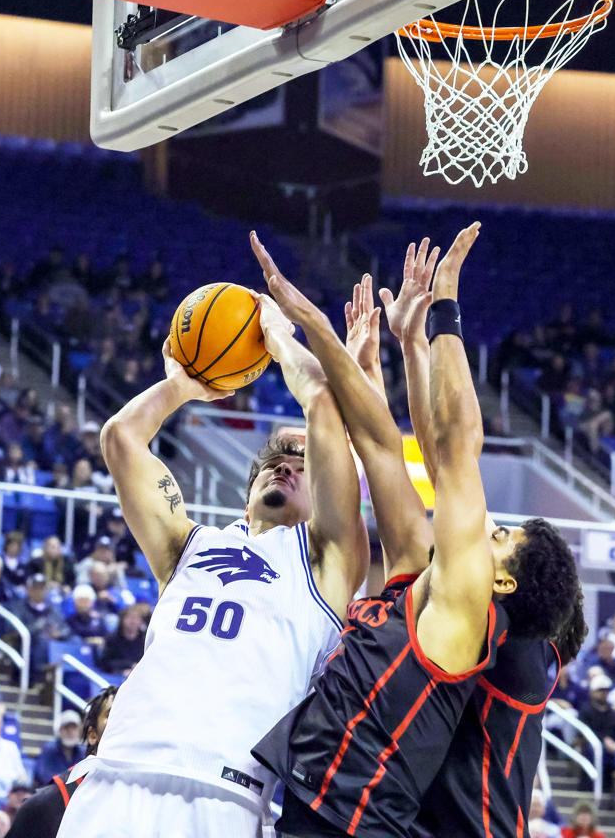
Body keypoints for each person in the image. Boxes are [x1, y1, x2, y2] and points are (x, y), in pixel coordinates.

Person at [250, 226, 583, 838]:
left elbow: (455, 455)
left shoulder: (502, 642)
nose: (486, 526)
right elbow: (390, 450)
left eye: (500, 537)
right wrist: (398, 348)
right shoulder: (426, 589)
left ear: (502, 583)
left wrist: (443, 310)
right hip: (328, 811)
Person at [55, 281, 368, 838]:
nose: (285, 467)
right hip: (116, 772)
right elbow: (122, 438)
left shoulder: (329, 560)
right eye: (274, 462)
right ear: (246, 496)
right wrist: (183, 386)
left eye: (302, 465)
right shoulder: (189, 546)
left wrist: (278, 338)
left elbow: (321, 401)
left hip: (224, 794)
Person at [9, 687, 117, 838]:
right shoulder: (45, 804)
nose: (123, 720)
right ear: (92, 735)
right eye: (112, 714)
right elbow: (44, 775)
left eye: (73, 728)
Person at [33, 711, 85, 787]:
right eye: (66, 728)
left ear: (79, 731)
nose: (70, 732)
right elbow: (44, 776)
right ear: (59, 730)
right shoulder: (49, 749)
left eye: (73, 728)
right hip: (53, 791)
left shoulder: (82, 752)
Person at [98, 606, 146, 675]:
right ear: (122, 620)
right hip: (117, 675)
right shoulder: (112, 639)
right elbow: (105, 663)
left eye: (137, 618)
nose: (133, 621)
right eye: (130, 618)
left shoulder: (144, 639)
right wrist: (128, 666)